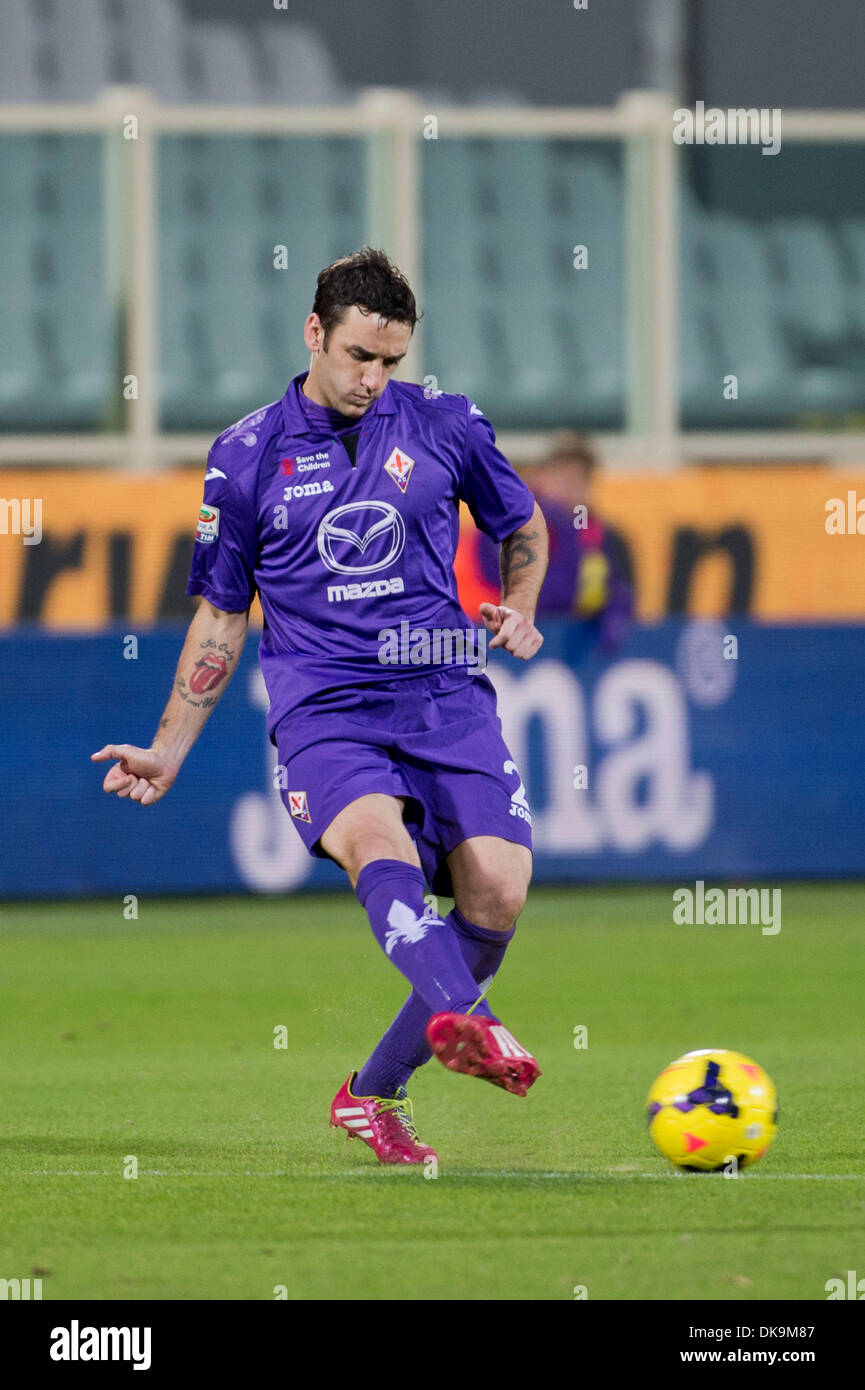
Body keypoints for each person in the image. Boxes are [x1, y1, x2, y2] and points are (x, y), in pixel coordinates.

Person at [92, 247, 549, 1166]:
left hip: (444, 691)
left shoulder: (446, 424)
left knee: (496, 892)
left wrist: (521, 606)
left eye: (389, 361)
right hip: (325, 706)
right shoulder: (245, 455)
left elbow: (524, 524)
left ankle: (370, 1095)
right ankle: (468, 1016)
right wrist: (169, 749)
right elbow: (222, 617)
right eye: (356, 356)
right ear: (314, 334)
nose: (373, 379)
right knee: (374, 845)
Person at [458, 430, 633, 651]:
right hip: (491, 638)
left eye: (581, 479)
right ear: (544, 476)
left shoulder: (588, 529)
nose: (573, 487)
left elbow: (612, 588)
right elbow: (501, 575)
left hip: (563, 642)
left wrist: (612, 618)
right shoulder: (510, 513)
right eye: (565, 477)